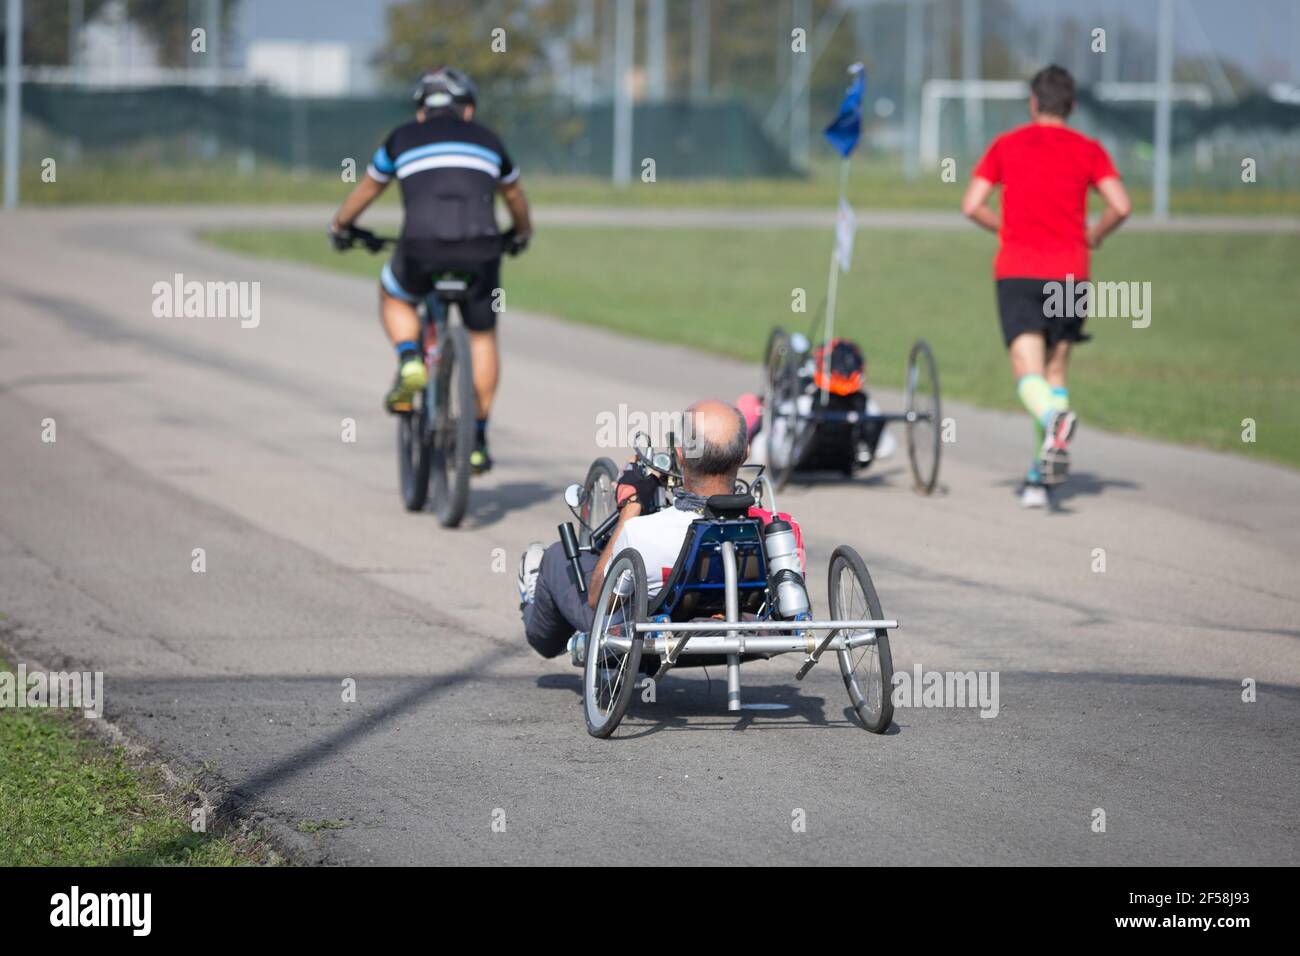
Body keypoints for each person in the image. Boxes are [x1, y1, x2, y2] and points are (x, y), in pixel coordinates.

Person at [329, 66, 532, 474]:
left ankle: (409, 360)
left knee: (394, 293)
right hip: (482, 251)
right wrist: (521, 233)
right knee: (482, 335)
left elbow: (367, 189)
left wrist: (341, 226)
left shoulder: (401, 137)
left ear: (421, 112)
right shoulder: (490, 141)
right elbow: (513, 195)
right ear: (468, 110)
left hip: (420, 249)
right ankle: (476, 438)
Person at [961, 65, 1131, 508]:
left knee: (1028, 373)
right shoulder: (1089, 150)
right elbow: (1122, 205)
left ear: (1033, 103)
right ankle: (1039, 475)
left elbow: (971, 204)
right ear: (1072, 107)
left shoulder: (1007, 145)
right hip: (1071, 272)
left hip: (1019, 270)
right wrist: (1095, 234)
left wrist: (1004, 227)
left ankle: (1054, 425)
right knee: (1055, 373)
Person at [517, 399, 800, 663]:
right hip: (738, 618)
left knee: (556, 558)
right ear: (745, 453)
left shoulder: (643, 532)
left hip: (645, 626)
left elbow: (597, 599)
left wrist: (630, 510)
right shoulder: (775, 530)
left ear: (680, 455)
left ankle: (536, 605)